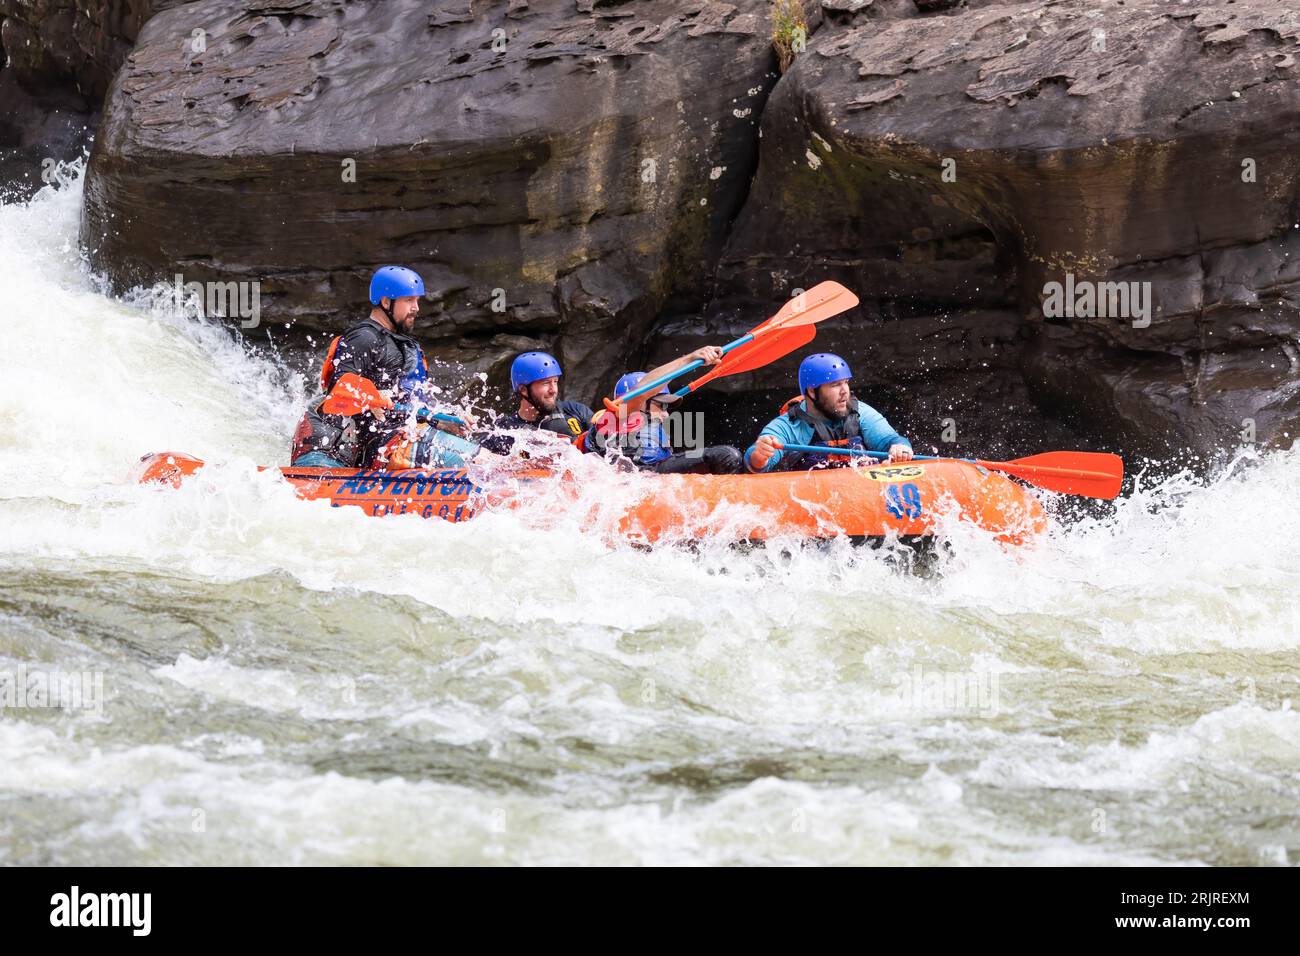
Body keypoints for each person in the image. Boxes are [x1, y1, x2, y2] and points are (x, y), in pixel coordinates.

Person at [290, 266, 480, 469]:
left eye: (417, 301)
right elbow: (340, 388)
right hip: (382, 444)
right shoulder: (363, 338)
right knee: (479, 463)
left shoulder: (405, 344)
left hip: (407, 434)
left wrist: (441, 422)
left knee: (483, 456)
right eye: (408, 300)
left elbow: (413, 403)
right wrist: (371, 397)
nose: (416, 308)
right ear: (386, 302)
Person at [745, 353, 912, 472]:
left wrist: (899, 447)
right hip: (812, 502)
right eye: (835, 385)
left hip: (862, 495)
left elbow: (889, 440)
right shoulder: (790, 425)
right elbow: (757, 462)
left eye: (845, 383)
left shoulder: (861, 412)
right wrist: (760, 456)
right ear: (811, 392)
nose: (844, 391)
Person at [585, 353, 743, 474]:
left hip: (647, 480)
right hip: (641, 478)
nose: (666, 414)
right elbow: (640, 393)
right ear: (640, 403)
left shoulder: (651, 429)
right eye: (660, 405)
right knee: (726, 455)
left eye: (666, 406)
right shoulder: (615, 417)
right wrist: (690, 358)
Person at [479, 351, 595, 453]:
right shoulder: (505, 430)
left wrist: (605, 429)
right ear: (524, 390)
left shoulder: (574, 411)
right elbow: (480, 460)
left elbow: (603, 447)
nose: (553, 390)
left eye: (555, 381)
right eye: (545, 383)